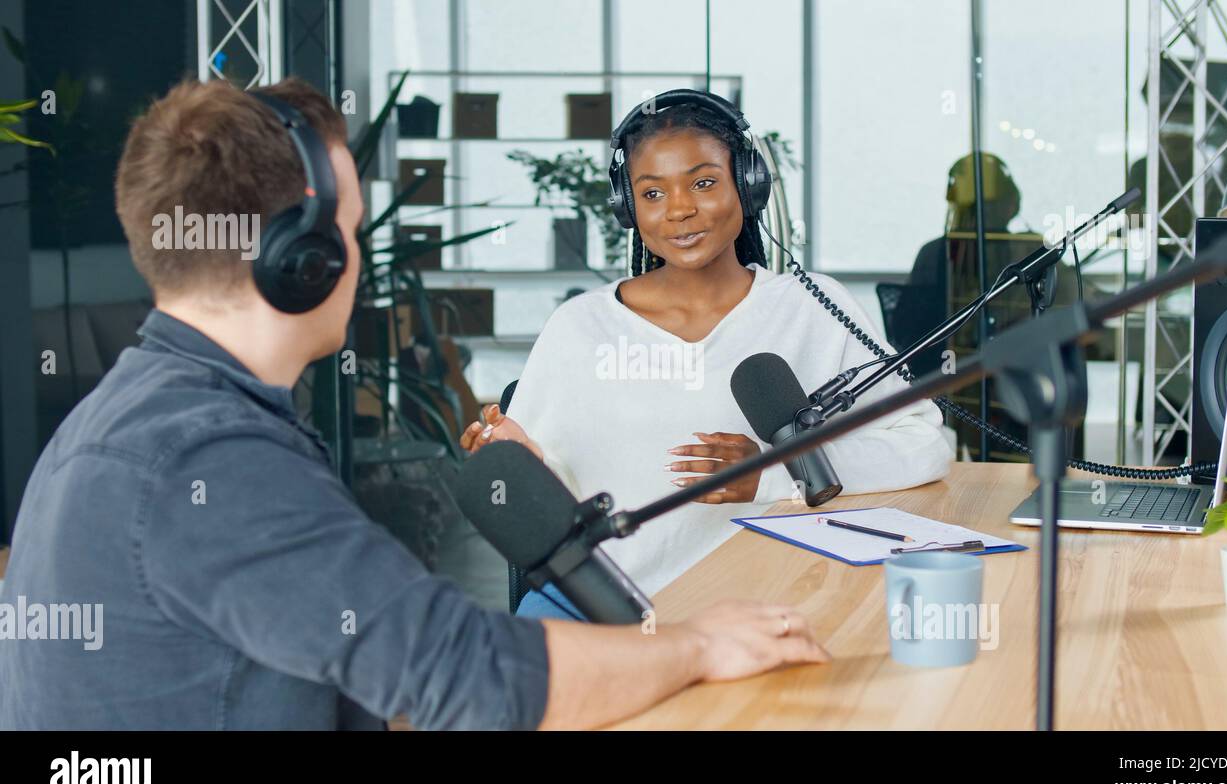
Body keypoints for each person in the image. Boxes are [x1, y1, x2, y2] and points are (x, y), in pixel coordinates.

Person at [0, 78, 829, 731]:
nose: (357, 258)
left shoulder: (137, 415)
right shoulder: (207, 458)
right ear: (307, 257)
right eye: (353, 232)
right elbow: (460, 672)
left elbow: (365, 662)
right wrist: (697, 645)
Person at [461, 93, 952, 619]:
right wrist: (521, 465)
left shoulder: (810, 308)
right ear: (629, 208)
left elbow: (924, 444)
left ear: (746, 185)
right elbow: (556, 502)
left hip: (766, 601)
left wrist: (777, 474)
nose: (679, 209)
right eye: (652, 193)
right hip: (605, 603)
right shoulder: (580, 328)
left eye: (702, 182)